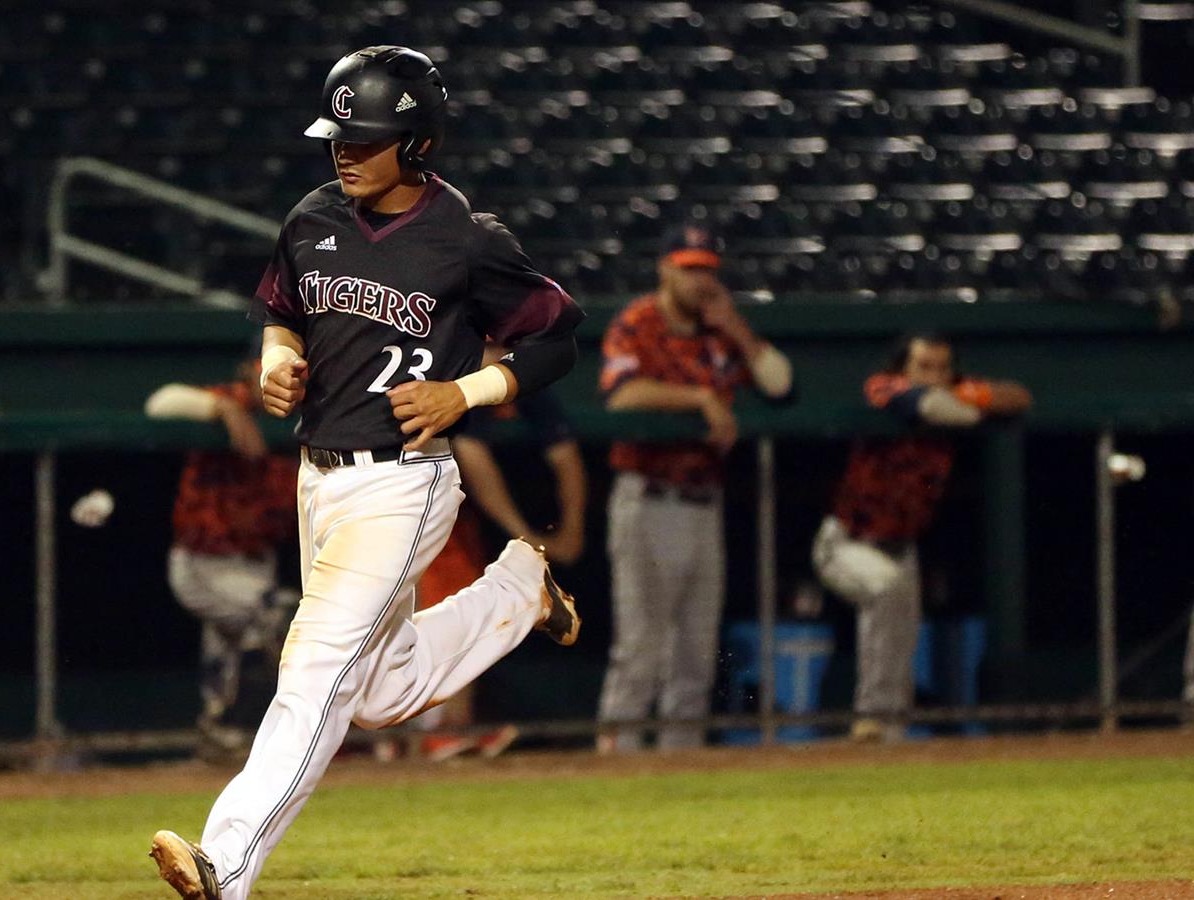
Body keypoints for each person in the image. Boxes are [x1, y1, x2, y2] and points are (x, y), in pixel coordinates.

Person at [149, 46, 585, 900]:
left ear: (417, 142)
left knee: (313, 668)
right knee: (380, 692)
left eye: (366, 138)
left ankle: (224, 865)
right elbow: (280, 314)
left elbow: (557, 339)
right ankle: (517, 591)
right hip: (318, 476)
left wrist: (467, 391)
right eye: (337, 137)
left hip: (406, 479)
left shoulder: (467, 238)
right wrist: (276, 360)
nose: (344, 152)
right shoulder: (311, 216)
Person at [597, 225, 793, 753]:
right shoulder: (639, 321)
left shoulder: (720, 332)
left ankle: (679, 768)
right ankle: (614, 763)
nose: (700, 280)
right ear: (665, 269)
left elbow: (780, 386)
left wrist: (738, 328)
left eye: (707, 269)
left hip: (705, 503)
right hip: (648, 497)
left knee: (695, 654)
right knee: (640, 648)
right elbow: (621, 395)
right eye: (689, 268)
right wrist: (701, 399)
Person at [813, 333, 1031, 743]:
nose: (932, 376)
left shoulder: (956, 390)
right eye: (923, 367)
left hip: (902, 545)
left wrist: (967, 393)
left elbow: (1019, 397)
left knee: (904, 638)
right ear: (903, 369)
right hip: (846, 541)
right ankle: (871, 717)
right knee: (886, 589)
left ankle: (891, 734)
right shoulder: (883, 385)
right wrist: (969, 405)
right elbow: (933, 407)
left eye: (941, 368)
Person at [395, 343, 588, 762]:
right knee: (429, 603)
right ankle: (429, 731)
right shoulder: (442, 364)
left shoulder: (518, 377)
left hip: (449, 506)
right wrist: (523, 536)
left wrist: (571, 529)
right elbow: (472, 454)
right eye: (487, 344)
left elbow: (565, 453)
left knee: (459, 598)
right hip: (399, 488)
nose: (495, 353)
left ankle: (447, 726)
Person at [144, 359, 300, 761]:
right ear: (249, 372)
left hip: (256, 561)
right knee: (279, 616)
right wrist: (223, 409)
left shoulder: (311, 410)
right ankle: (241, 724)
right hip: (203, 562)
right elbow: (159, 403)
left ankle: (221, 731)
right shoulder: (233, 400)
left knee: (234, 642)